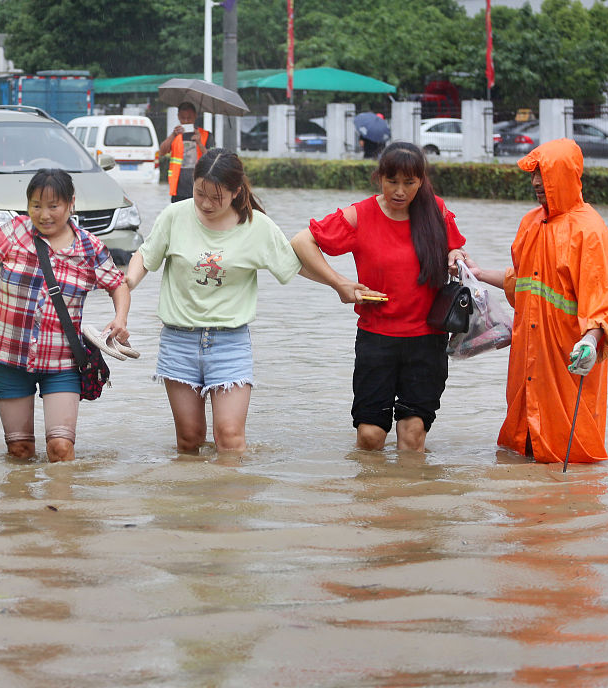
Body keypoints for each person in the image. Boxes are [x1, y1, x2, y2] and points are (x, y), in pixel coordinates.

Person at [0, 169, 130, 462]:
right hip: (10, 358)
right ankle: (21, 507)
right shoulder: (16, 231)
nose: (44, 214)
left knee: (60, 448)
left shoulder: (89, 248)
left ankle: (61, 506)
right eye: (36, 205)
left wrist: (120, 319)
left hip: (62, 362)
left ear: (71, 204)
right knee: (19, 451)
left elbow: (117, 285)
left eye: (53, 206)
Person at [291, 141, 468, 453]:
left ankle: (406, 500)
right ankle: (371, 499)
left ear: (421, 181)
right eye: (392, 181)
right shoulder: (361, 215)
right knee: (370, 437)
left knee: (412, 437)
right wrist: (339, 282)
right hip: (376, 339)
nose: (399, 191)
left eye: (409, 183)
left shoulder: (436, 210)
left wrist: (454, 253)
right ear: (379, 178)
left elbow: (455, 247)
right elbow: (301, 242)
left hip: (427, 339)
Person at [125, 149, 302, 456]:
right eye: (199, 194)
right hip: (178, 341)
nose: (206, 204)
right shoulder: (174, 216)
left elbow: (294, 264)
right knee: (189, 440)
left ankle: (230, 501)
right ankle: (191, 502)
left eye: (216, 197)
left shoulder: (257, 227)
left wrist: (341, 285)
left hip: (230, 343)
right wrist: (125, 284)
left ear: (236, 192)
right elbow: (145, 256)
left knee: (230, 438)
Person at [465, 138, 608, 463]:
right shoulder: (531, 223)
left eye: (543, 174)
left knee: (570, 453)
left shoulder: (590, 233)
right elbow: (524, 282)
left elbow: (599, 306)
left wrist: (591, 342)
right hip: (528, 357)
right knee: (522, 453)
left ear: (564, 176)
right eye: (533, 174)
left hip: (565, 360)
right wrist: (478, 273)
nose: (535, 182)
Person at [159, 100, 210, 202]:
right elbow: (162, 151)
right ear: (178, 117)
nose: (186, 121)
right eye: (183, 118)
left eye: (189, 118)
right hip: (178, 189)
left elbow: (212, 158)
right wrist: (173, 135)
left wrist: (199, 143)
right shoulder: (175, 135)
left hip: (200, 187)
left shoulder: (205, 135)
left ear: (195, 116)